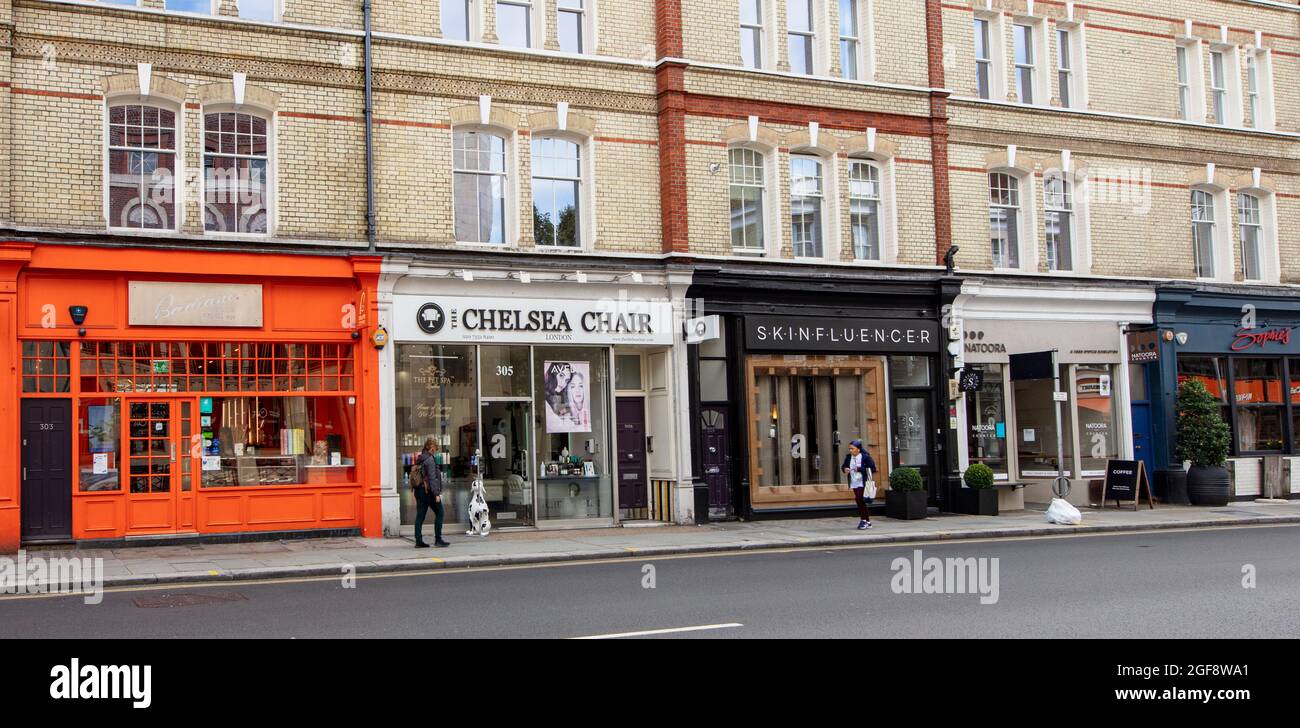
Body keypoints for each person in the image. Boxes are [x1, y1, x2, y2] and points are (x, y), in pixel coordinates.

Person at [412, 437, 449, 548]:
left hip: (419, 491)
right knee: (440, 512)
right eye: (435, 448)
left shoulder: (420, 458)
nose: (436, 450)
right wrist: (436, 494)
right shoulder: (430, 460)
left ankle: (418, 541)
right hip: (428, 492)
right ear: (431, 448)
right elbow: (432, 478)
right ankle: (438, 539)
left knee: (420, 516)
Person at [841, 439, 877, 530]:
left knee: (859, 499)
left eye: (852, 448)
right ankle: (868, 522)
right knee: (861, 501)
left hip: (863, 482)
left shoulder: (865, 457)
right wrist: (845, 469)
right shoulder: (848, 457)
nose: (850, 450)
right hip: (854, 482)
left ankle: (863, 521)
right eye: (849, 449)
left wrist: (860, 469)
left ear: (858, 449)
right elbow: (844, 466)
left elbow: (873, 469)